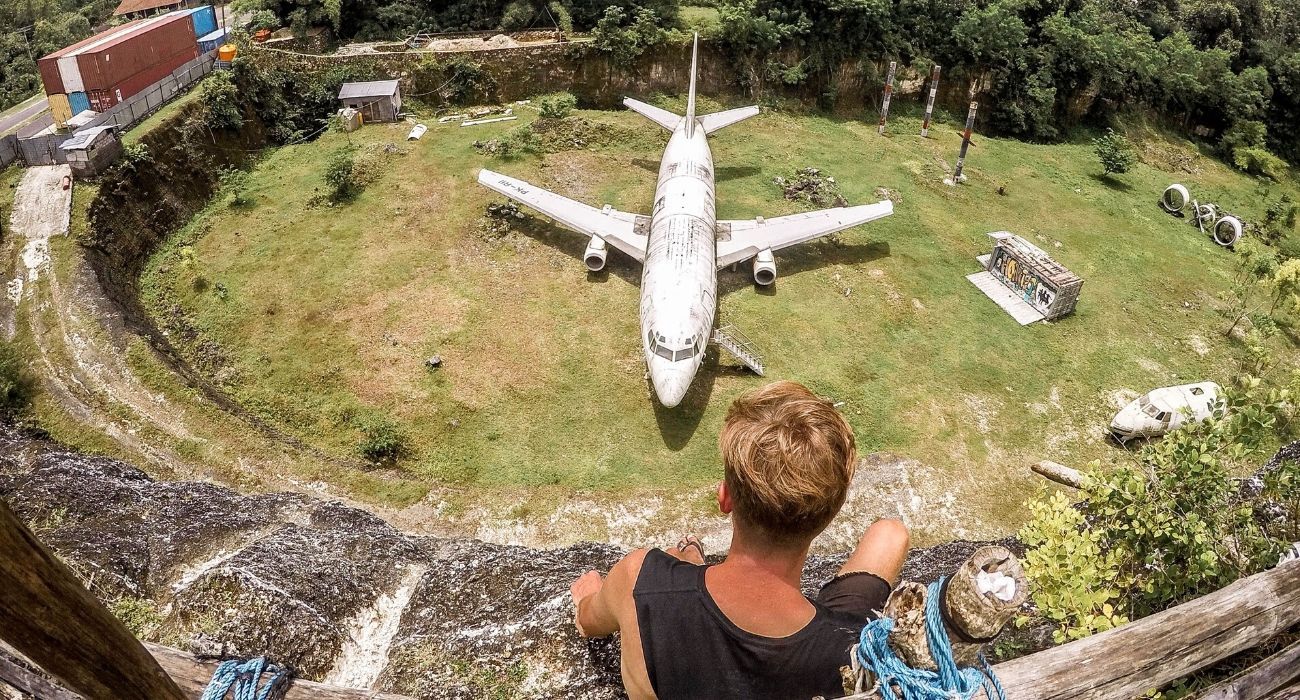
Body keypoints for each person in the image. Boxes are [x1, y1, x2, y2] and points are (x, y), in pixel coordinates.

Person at [569, 381, 910, 699]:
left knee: (677, 555)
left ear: (725, 498)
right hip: (819, 635)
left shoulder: (640, 581)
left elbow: (588, 622)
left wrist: (592, 595)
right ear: (828, 517)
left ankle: (694, 562)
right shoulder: (855, 648)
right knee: (890, 534)